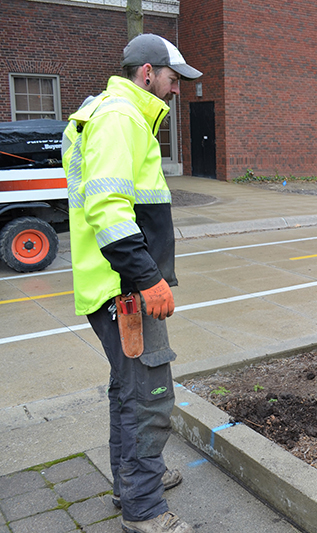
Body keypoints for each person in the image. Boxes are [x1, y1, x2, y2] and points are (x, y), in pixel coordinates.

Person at [61, 34, 202, 533]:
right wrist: (148, 280)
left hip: (112, 284)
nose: (176, 90)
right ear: (148, 72)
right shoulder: (122, 119)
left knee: (129, 390)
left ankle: (132, 484)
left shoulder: (108, 112)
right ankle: (143, 509)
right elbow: (108, 208)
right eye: (172, 79)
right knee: (150, 395)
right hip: (127, 290)